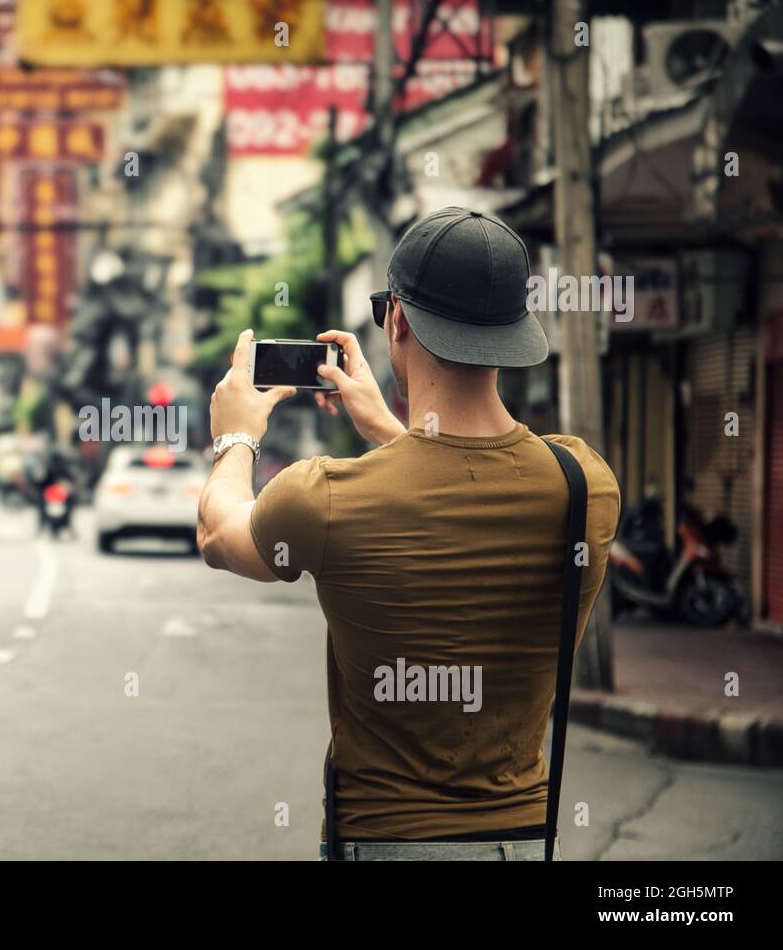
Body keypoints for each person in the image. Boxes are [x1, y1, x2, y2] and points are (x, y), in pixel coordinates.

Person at [195, 207, 620, 861]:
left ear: (396, 320)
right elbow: (464, 481)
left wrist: (236, 432)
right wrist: (394, 430)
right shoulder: (584, 485)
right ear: (512, 333)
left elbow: (220, 535)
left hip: (388, 844)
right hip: (527, 843)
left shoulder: (328, 497)